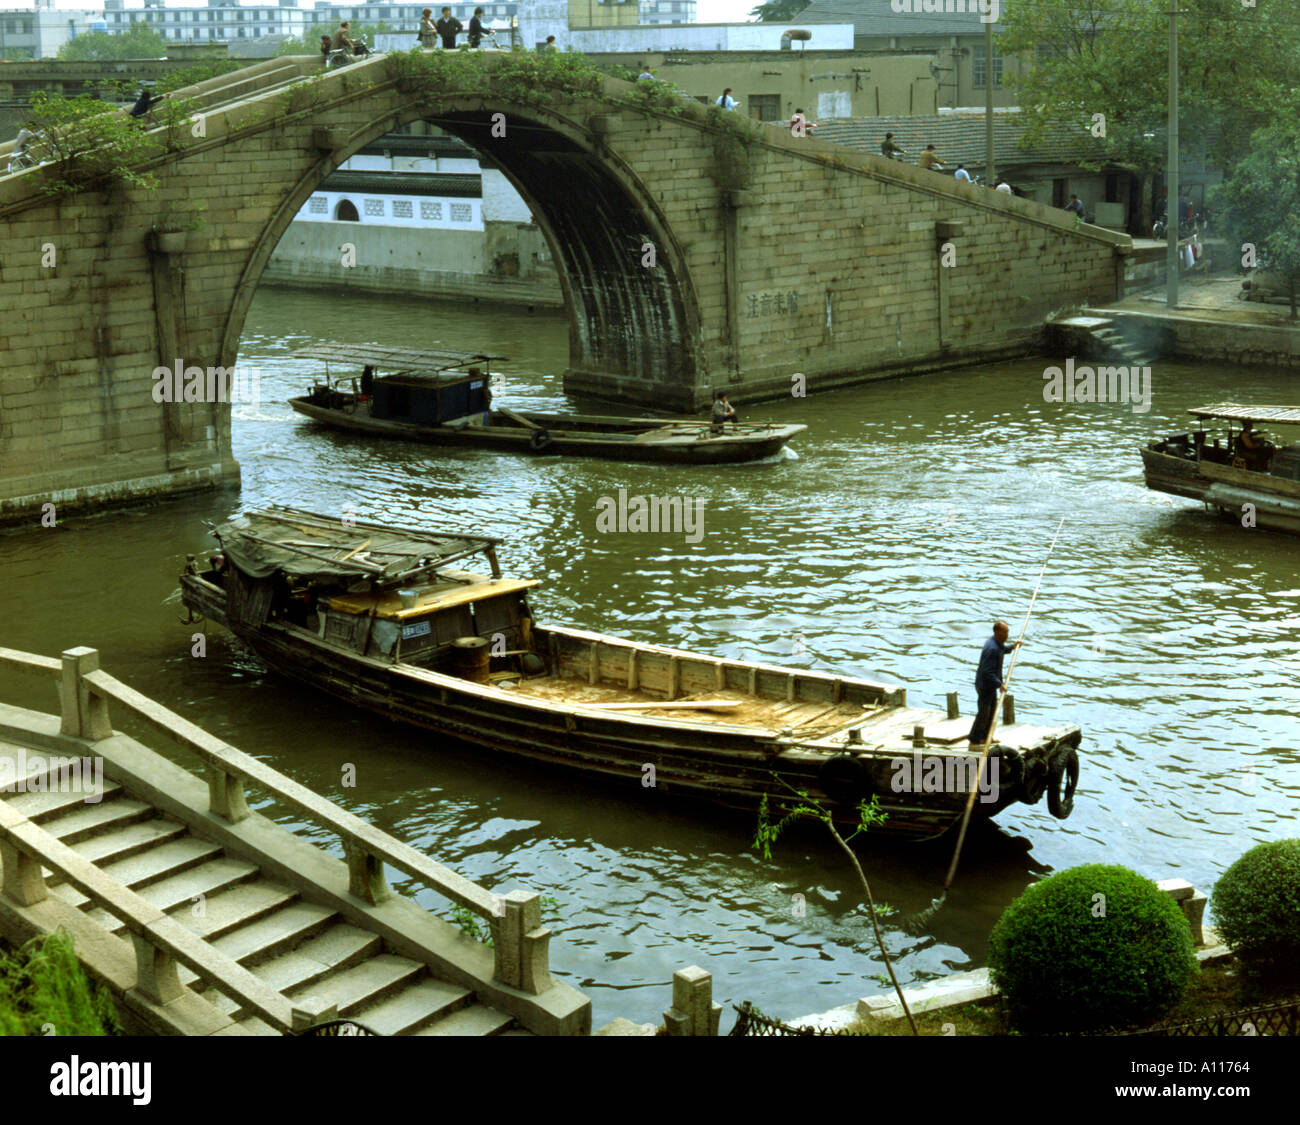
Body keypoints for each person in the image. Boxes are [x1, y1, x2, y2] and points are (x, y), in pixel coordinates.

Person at [969, 621, 1020, 748]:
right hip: (985, 685)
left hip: (991, 685)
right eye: (1005, 632)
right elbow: (987, 671)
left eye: (1008, 632)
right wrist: (999, 685)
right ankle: (974, 740)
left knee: (992, 711)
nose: (1007, 634)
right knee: (984, 713)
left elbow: (1002, 649)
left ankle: (985, 737)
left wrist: (1012, 647)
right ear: (997, 632)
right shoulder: (992, 648)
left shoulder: (996, 643)